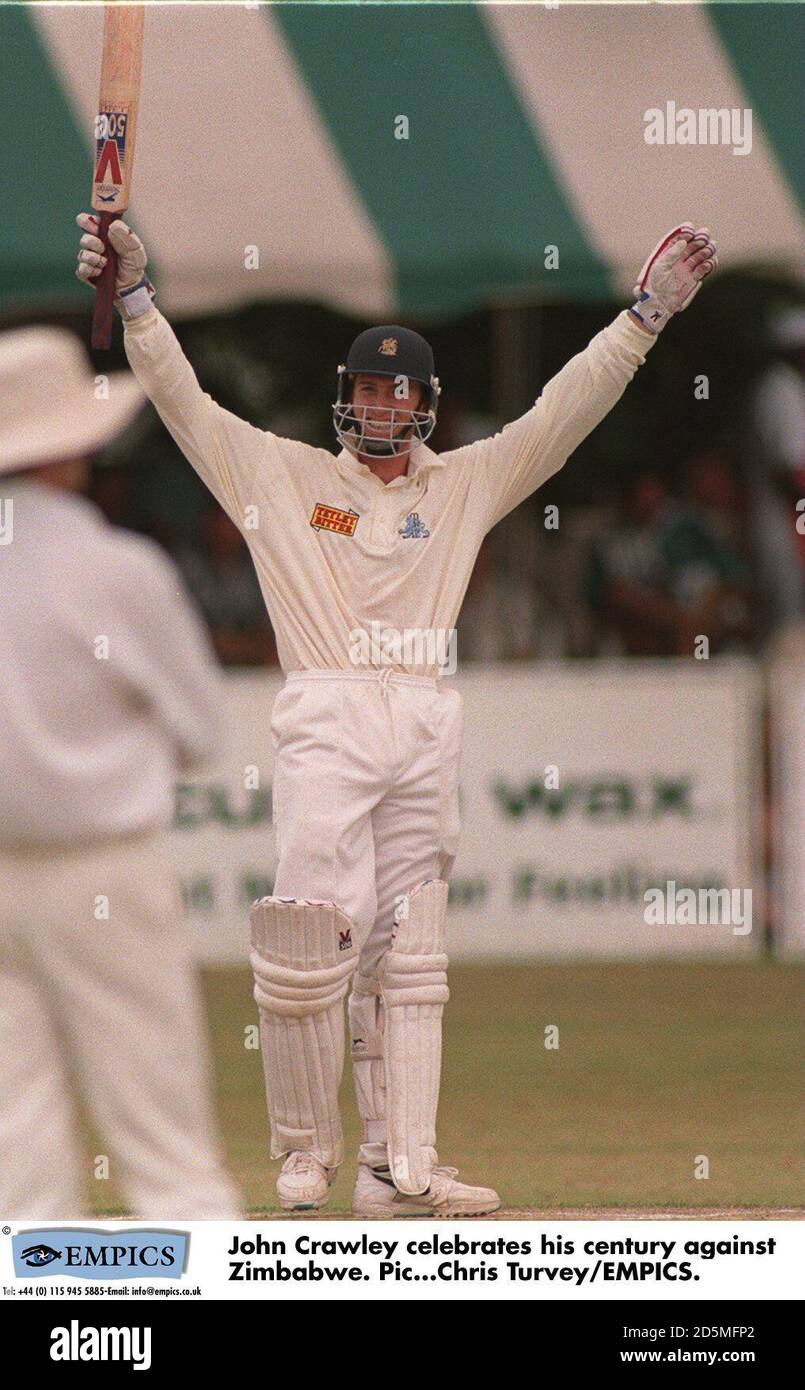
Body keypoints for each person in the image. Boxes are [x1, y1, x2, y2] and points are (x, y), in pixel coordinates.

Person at [75, 214, 717, 1216]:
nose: (380, 403)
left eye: (397, 389)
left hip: (422, 714)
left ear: (423, 403)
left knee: (408, 953)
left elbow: (558, 419)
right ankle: (302, 1154)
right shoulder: (280, 476)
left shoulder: (462, 486)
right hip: (327, 713)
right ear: (346, 398)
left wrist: (642, 319)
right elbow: (184, 405)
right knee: (308, 938)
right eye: (367, 388)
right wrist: (140, 300)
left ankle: (396, 1167)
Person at [0, 326, 242, 1220]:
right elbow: (202, 729)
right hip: (102, 866)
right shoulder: (117, 569)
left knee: (14, 1154)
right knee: (164, 1141)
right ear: (76, 446)